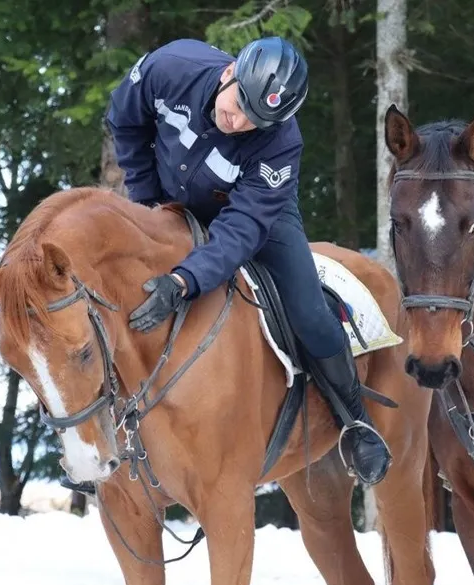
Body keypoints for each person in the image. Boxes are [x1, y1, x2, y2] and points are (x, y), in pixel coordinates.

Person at [104, 37, 392, 486]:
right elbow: (125, 122)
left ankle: (355, 422)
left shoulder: (280, 143)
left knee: (309, 312)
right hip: (163, 199)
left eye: (254, 122)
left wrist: (184, 281)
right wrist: (147, 204)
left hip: (253, 216)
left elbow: (241, 229)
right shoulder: (169, 66)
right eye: (239, 105)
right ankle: (94, 430)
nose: (237, 123)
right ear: (229, 73)